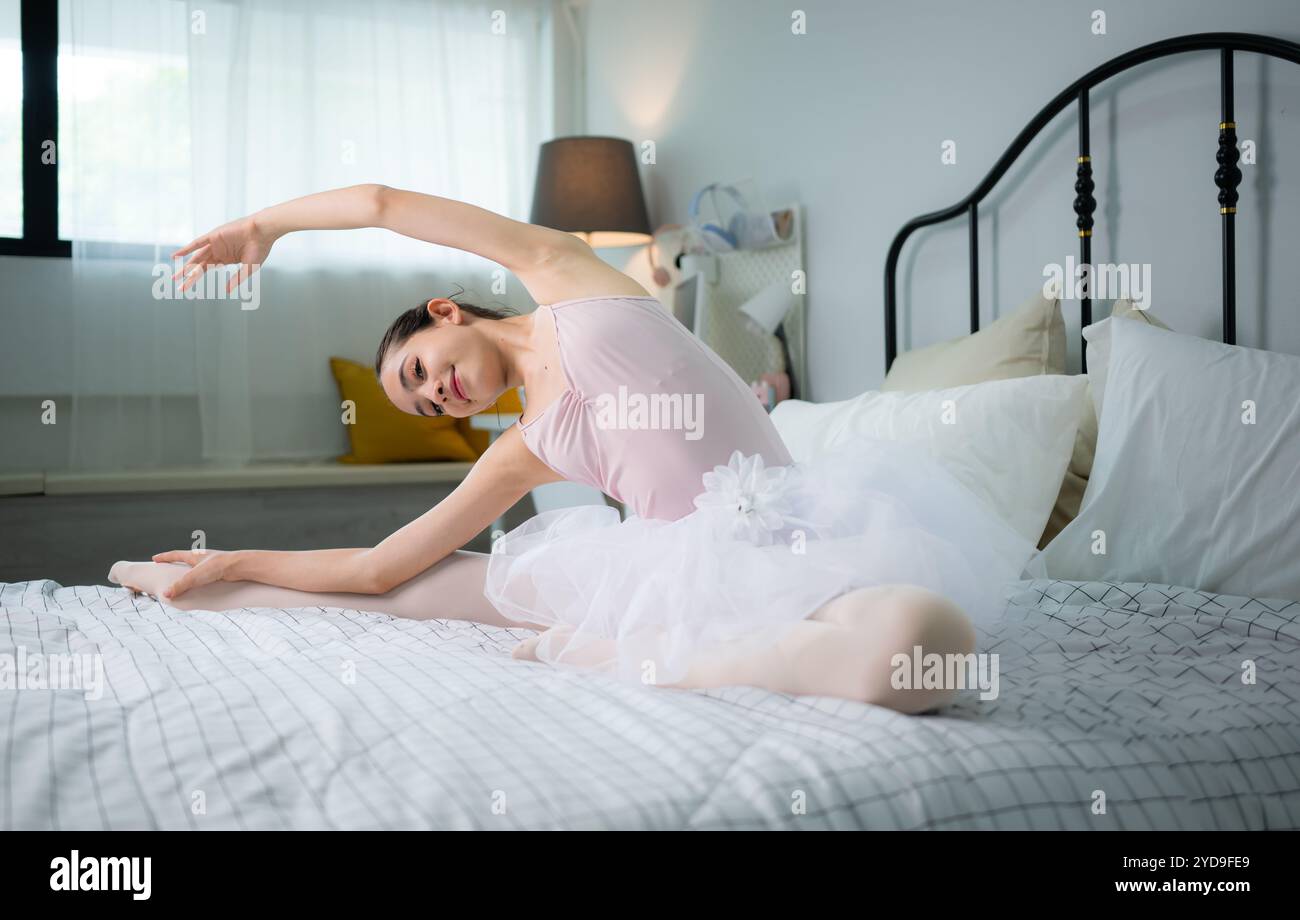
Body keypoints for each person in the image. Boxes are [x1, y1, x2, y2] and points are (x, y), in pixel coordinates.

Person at [110, 184, 1040, 712]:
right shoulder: (526, 447)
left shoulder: (565, 273)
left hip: (794, 541)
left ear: (447, 311)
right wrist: (231, 556)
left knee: (936, 643)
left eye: (425, 368)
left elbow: (387, 203)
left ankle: (610, 653)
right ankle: (212, 592)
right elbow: (378, 566)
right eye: (423, 401)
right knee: (421, 592)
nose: (438, 394)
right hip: (670, 577)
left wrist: (267, 225)